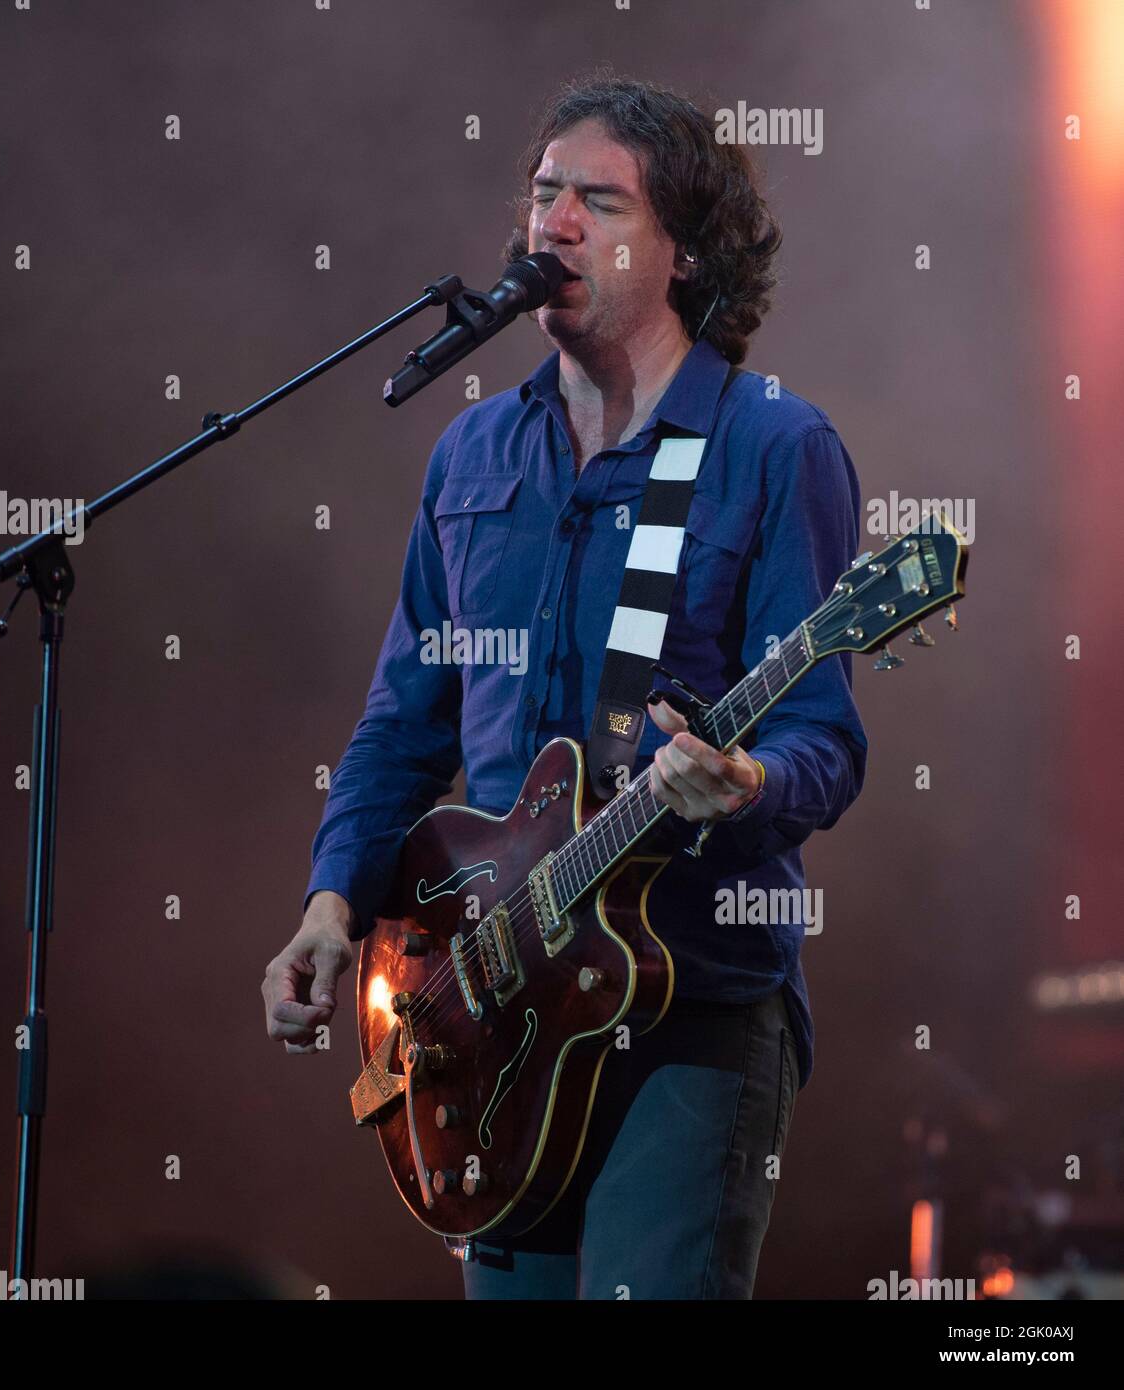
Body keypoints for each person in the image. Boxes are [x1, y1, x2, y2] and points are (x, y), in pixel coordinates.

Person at [262, 73, 867, 1299]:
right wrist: (332, 900)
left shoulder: (770, 444)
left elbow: (822, 739)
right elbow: (401, 721)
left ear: (683, 248)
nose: (556, 225)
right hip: (494, 1022)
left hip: (684, 1004)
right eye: (544, 195)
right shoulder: (476, 450)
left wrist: (742, 780)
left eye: (599, 199)